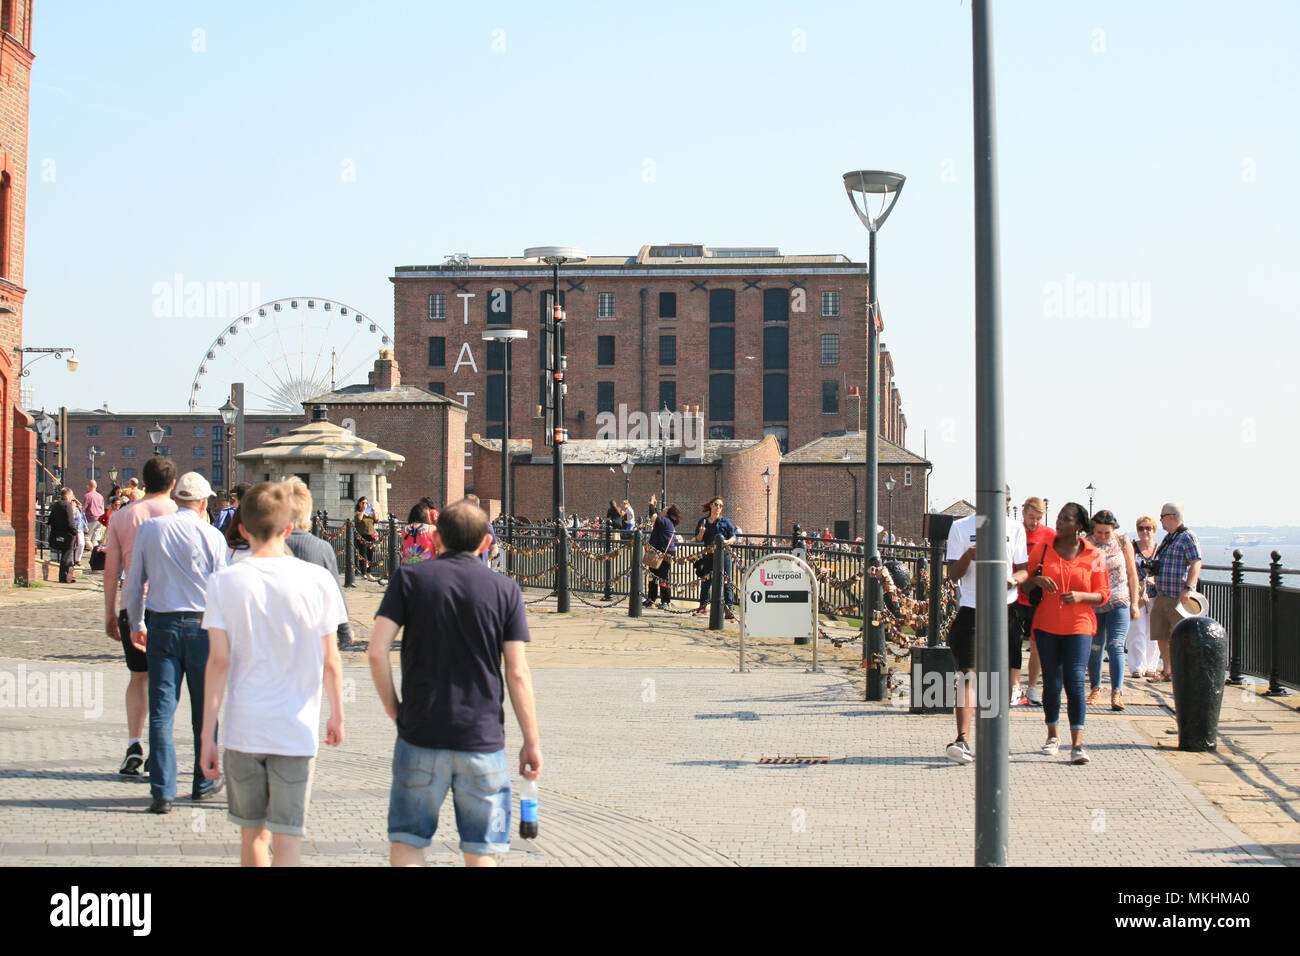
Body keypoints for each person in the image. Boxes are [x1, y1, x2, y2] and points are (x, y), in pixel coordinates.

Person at [368, 499, 542, 867]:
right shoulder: (505, 590)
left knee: (409, 842)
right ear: (484, 544)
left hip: (420, 732)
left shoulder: (409, 579)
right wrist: (531, 739)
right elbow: (517, 671)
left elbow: (375, 650)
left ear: (435, 538)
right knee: (480, 849)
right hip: (481, 737)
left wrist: (394, 707)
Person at [199, 481, 347, 866]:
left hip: (243, 728)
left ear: (243, 528)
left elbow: (218, 663)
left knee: (252, 837)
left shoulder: (223, 582)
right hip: (295, 730)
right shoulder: (317, 581)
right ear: (289, 528)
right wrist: (336, 714)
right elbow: (331, 658)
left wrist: (206, 735)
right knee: (288, 840)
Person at [125, 471, 229, 813]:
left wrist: (137, 622)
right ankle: (203, 780)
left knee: (161, 707)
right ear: (202, 502)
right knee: (205, 708)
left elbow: (135, 580)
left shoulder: (151, 530)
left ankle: (162, 790)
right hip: (202, 627)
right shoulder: (212, 535)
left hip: (162, 624)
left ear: (177, 499)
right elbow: (222, 588)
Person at [103, 457, 179, 776]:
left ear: (143, 483)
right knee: (166, 680)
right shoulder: (180, 514)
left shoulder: (122, 517)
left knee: (138, 677)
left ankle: (134, 744)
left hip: (132, 606)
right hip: (169, 607)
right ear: (172, 484)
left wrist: (110, 611)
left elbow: (111, 570)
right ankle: (159, 747)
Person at [943, 487, 1029, 764]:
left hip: (1005, 608)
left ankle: (995, 740)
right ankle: (962, 739)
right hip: (972, 607)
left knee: (999, 676)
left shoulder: (1015, 528)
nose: (998, 505)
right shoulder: (961, 527)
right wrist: (969, 556)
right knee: (968, 674)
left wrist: (1014, 579)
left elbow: (1024, 567)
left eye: (1003, 501)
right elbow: (952, 574)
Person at [1020, 503, 1109, 765]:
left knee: (1074, 681)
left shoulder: (1093, 555)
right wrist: (1036, 581)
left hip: (1079, 625)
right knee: (1052, 682)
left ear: (1079, 526)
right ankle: (1052, 735)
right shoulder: (1043, 548)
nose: (1059, 522)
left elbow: (1104, 594)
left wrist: (1082, 596)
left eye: (1066, 519)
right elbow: (1024, 588)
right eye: (1058, 517)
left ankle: (1078, 744)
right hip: (1046, 624)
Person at [282, 477, 353, 648]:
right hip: (313, 630)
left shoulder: (270, 545)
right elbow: (335, 590)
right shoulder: (322, 548)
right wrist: (345, 630)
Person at [1085, 510, 1140, 710]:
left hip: (1119, 599)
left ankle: (1117, 691)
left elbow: (1133, 574)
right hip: (1096, 600)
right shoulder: (1087, 542)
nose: (1102, 536)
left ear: (1113, 530)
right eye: (1099, 532)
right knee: (1095, 646)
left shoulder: (1123, 541)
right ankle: (1095, 687)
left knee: (1116, 644)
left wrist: (1134, 603)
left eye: (1106, 533)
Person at [1146, 502, 1202, 685]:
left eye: (1162, 516)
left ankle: (1183, 672)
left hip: (1178, 596)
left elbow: (1196, 562)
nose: (1160, 520)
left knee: (1181, 636)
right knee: (1161, 634)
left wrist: (1189, 588)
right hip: (1162, 594)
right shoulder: (1168, 538)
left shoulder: (1187, 536)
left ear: (1171, 517)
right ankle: (1167, 671)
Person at [1017, 496, 1057, 706]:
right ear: (1023, 513)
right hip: (1016, 593)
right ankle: (1014, 687)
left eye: (1038, 518)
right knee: (1012, 642)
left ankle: (1032, 686)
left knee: (1037, 643)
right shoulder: (1015, 530)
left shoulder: (1049, 534)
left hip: (1037, 596)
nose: (1034, 523)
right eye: (1031, 517)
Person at [694, 496, 737, 620]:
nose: (718, 507)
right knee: (706, 580)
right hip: (709, 555)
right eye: (716, 504)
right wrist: (702, 532)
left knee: (726, 581)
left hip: (724, 555)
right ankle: (703, 606)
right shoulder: (704, 521)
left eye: (720, 505)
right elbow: (698, 539)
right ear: (711, 506)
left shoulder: (726, 522)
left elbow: (733, 537)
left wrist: (727, 541)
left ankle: (728, 608)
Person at [1128, 515, 1161, 678]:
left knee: (1153, 631)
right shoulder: (1131, 548)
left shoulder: (1160, 549)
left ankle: (1151, 666)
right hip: (1137, 593)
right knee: (1137, 629)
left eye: (1148, 528)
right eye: (1141, 528)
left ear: (1154, 530)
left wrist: (1155, 579)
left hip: (1156, 594)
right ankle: (1137, 666)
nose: (1145, 531)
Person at [644, 505, 681, 609]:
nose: (663, 509)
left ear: (669, 513)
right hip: (656, 552)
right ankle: (651, 599)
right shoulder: (663, 521)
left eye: (665, 509)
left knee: (663, 577)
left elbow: (653, 516)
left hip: (665, 554)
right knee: (652, 576)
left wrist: (651, 504)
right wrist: (654, 506)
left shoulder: (666, 521)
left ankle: (666, 600)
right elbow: (655, 517)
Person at [48, 487, 79, 584]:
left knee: (65, 556)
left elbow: (50, 520)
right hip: (66, 535)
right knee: (66, 556)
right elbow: (70, 522)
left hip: (56, 534)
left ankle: (68, 574)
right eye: (71, 496)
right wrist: (74, 532)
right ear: (68, 495)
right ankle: (63, 577)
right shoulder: (67, 505)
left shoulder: (56, 504)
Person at [354, 496, 378, 578]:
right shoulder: (357, 512)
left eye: (366, 503)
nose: (365, 504)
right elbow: (359, 519)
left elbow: (376, 520)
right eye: (363, 503)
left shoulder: (370, 513)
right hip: (362, 536)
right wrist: (363, 510)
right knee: (363, 554)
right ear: (359, 504)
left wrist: (374, 512)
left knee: (370, 554)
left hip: (370, 536)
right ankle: (363, 573)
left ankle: (369, 572)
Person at [84, 480, 106, 548]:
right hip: (100, 519)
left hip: (91, 519)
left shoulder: (87, 496)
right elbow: (102, 508)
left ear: (89, 486)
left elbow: (83, 509)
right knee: (94, 539)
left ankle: (92, 553)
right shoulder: (100, 496)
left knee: (86, 538)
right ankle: (96, 554)